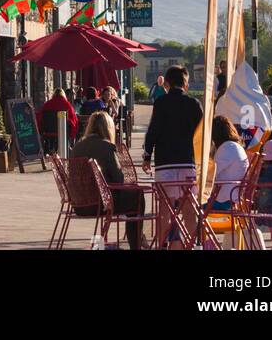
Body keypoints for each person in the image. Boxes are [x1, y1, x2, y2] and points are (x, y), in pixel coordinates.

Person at [142, 65, 203, 241]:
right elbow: (202, 135)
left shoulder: (161, 103)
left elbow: (153, 131)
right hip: (187, 163)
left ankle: (162, 244)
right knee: (189, 208)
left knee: (164, 209)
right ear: (186, 84)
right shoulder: (194, 104)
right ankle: (191, 243)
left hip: (164, 164)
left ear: (166, 83)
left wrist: (147, 157)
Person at [72, 110, 144, 249]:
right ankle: (136, 245)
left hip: (79, 205)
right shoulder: (106, 147)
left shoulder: (77, 147)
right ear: (108, 128)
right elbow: (119, 180)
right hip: (100, 204)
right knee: (138, 196)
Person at [204, 116, 249, 213]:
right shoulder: (235, 146)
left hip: (223, 200)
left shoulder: (227, 148)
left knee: (189, 204)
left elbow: (210, 174)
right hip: (232, 196)